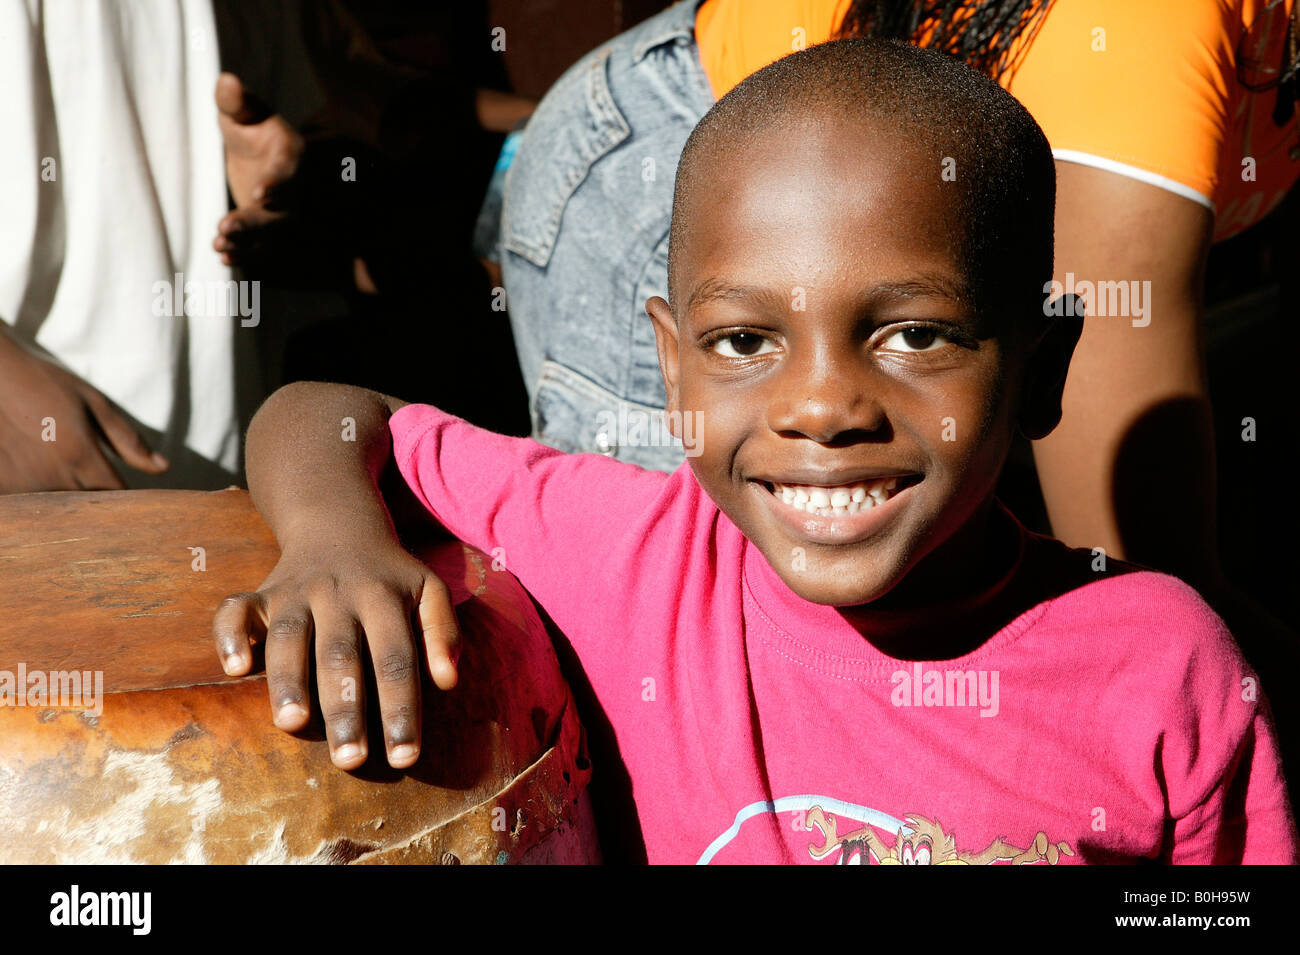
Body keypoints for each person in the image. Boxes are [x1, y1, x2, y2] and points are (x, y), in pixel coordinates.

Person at [212, 39, 1294, 864]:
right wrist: (329, 537)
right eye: (743, 342)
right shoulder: (636, 562)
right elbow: (323, 410)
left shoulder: (1158, 668)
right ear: (672, 369)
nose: (821, 405)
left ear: (1040, 369)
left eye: (913, 334)